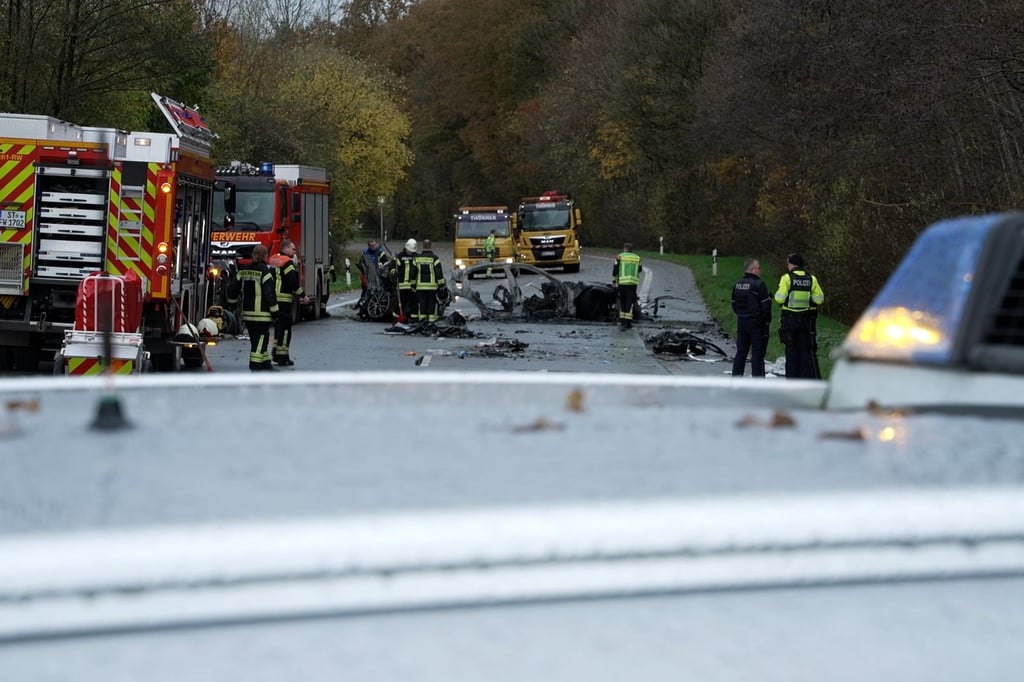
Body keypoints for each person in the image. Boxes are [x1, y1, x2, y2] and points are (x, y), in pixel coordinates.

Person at [774, 253, 825, 379]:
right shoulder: (811, 279)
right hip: (806, 320)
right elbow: (819, 299)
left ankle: (792, 379)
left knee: (791, 351)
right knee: (805, 351)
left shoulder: (787, 278)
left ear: (791, 264)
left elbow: (779, 299)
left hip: (789, 320)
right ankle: (807, 379)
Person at [236, 244, 279, 371]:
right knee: (261, 338)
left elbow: (233, 287)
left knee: (255, 338)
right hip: (262, 313)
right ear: (265, 256)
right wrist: (275, 312)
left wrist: (231, 303)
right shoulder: (265, 271)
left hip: (248, 312)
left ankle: (265, 362)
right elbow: (269, 294)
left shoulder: (244, 269)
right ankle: (255, 363)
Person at [268, 239, 307, 366]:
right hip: (284, 300)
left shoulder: (273, 260)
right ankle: (283, 356)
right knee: (285, 330)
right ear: (285, 249)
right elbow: (292, 283)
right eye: (292, 249)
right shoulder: (288, 263)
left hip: (273, 299)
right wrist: (303, 295)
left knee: (278, 328)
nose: (295, 251)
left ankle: (275, 352)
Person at [731, 258, 772, 377]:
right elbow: (766, 306)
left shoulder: (737, 284)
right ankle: (758, 381)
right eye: (759, 267)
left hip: (742, 322)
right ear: (753, 269)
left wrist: (741, 314)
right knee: (757, 354)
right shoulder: (759, 284)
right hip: (756, 323)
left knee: (741, 352)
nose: (760, 270)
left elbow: (733, 304)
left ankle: (736, 378)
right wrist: (766, 320)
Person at [412, 239, 446, 323]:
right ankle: (431, 321)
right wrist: (441, 285)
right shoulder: (435, 258)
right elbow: (439, 272)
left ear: (422, 246)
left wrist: (413, 285)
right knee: (432, 304)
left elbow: (413, 273)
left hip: (420, 287)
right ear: (431, 246)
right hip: (432, 287)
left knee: (422, 304)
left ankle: (422, 321)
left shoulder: (417, 258)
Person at [612, 243, 642, 330]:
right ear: (631, 249)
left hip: (622, 282)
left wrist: (614, 280)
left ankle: (622, 321)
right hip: (633, 283)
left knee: (623, 301)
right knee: (630, 301)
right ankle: (628, 322)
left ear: (624, 249)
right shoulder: (637, 258)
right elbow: (639, 270)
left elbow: (615, 269)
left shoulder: (619, 257)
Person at [392, 238, 419, 323]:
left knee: (414, 304)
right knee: (399, 304)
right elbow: (392, 267)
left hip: (413, 286)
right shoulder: (399, 257)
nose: (411, 252)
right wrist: (394, 272)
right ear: (406, 247)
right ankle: (395, 321)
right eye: (409, 250)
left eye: (412, 251)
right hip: (402, 285)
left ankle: (414, 321)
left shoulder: (416, 257)